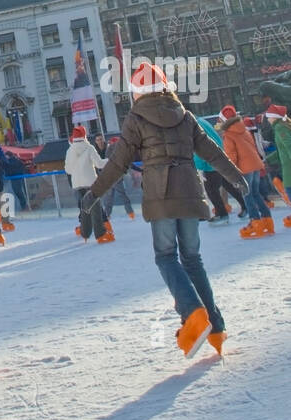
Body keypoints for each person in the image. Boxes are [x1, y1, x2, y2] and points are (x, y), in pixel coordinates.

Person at [86, 62, 248, 359]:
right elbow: (211, 151)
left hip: (160, 195)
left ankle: (193, 312)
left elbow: (118, 162)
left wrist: (94, 193)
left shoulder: (136, 118)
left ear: (137, 92)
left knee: (165, 256)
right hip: (189, 193)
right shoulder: (185, 115)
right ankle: (216, 328)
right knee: (192, 259)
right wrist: (235, 175)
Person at [218, 105, 272, 237]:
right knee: (255, 194)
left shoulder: (229, 135)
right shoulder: (243, 129)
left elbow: (232, 156)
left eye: (220, 120)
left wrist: (232, 172)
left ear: (225, 120)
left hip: (244, 168)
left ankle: (256, 223)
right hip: (255, 165)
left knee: (247, 196)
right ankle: (267, 221)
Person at [195, 119, 246, 225]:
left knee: (211, 188)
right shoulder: (202, 121)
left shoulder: (192, 124)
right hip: (219, 156)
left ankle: (222, 214)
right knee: (227, 183)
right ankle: (246, 206)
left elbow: (199, 145)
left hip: (209, 160)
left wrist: (199, 164)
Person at [65, 126, 111, 242]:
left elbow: (68, 170)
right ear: (84, 135)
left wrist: (77, 171)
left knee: (85, 209)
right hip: (90, 182)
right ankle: (100, 235)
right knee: (96, 209)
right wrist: (110, 160)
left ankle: (85, 234)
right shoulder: (89, 148)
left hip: (77, 184)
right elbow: (99, 164)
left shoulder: (70, 151)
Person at [93, 133, 135, 220]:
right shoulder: (94, 150)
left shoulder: (109, 147)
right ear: (95, 141)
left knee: (121, 194)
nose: (100, 141)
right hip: (105, 177)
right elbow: (95, 165)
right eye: (98, 140)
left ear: (103, 140)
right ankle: (107, 215)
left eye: (101, 139)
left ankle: (130, 212)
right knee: (108, 198)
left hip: (114, 176)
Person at [264, 103, 291, 227]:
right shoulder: (283, 126)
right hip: (287, 166)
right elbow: (281, 150)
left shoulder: (280, 128)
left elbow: (289, 146)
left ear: (274, 117)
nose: (268, 119)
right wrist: (268, 160)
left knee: (289, 190)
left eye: (268, 117)